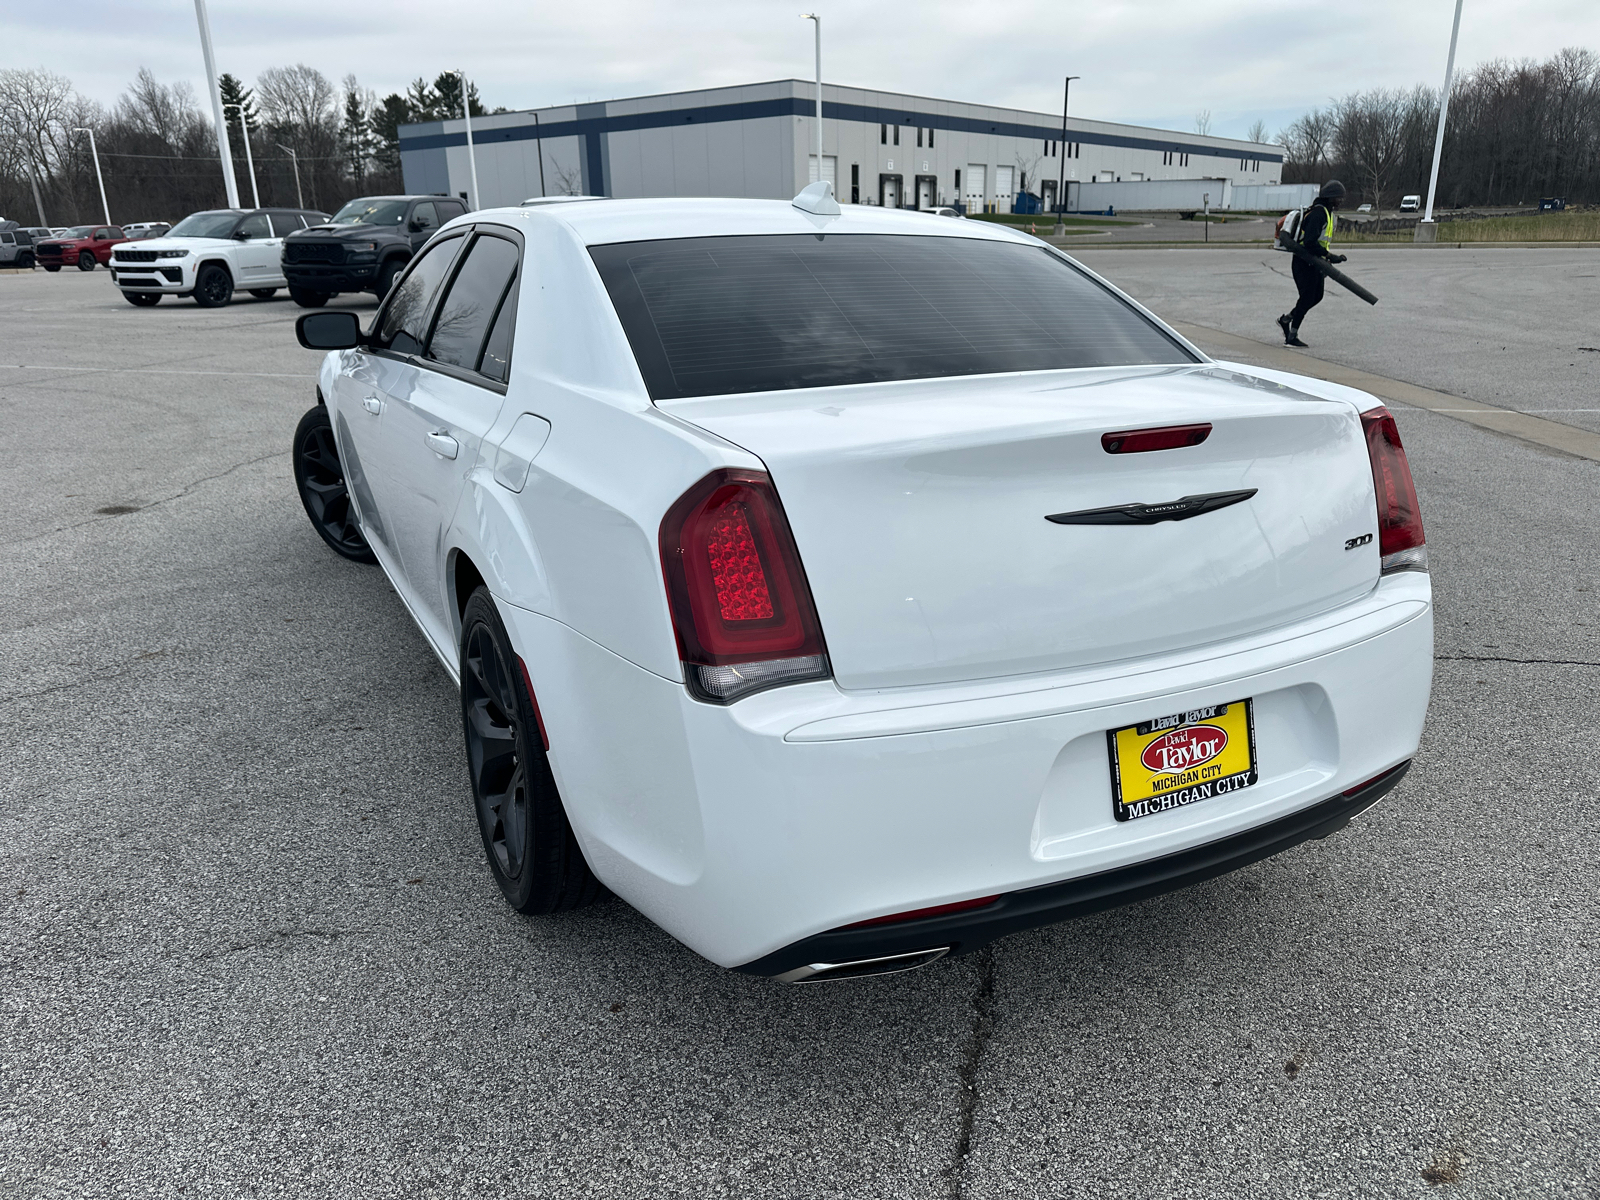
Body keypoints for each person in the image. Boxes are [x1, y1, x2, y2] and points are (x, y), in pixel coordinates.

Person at [1278, 180, 1348, 347]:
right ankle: (1292, 336)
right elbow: (1310, 242)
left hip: (1315, 262)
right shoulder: (1319, 214)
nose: (1341, 201)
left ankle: (1287, 319)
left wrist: (1327, 257)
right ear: (1331, 198)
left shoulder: (1327, 213)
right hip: (1304, 262)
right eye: (1339, 198)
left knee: (1317, 296)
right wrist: (1330, 256)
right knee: (1308, 296)